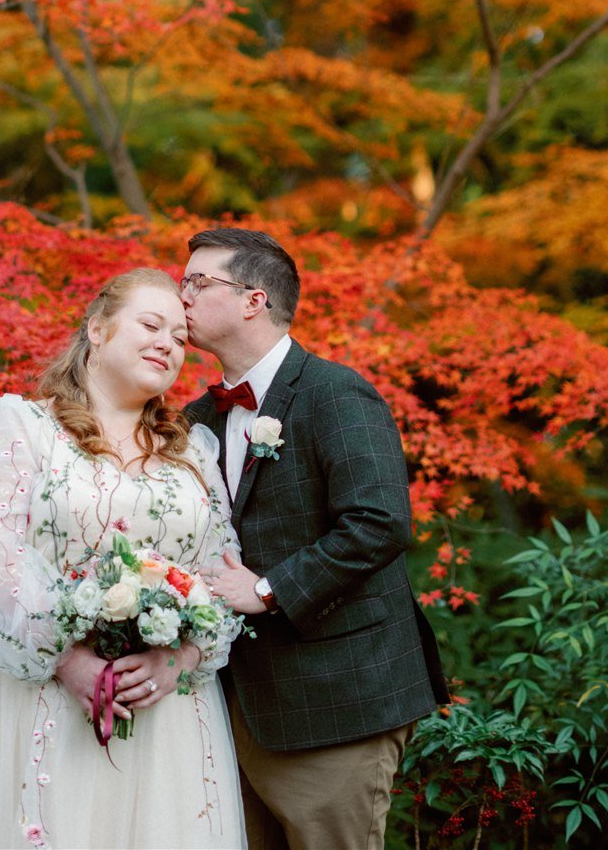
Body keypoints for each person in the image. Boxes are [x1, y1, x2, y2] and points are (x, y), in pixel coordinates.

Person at [0, 268, 247, 849]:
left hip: (161, 711)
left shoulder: (195, 452)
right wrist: (67, 659)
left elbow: (220, 572)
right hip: (31, 691)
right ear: (97, 329)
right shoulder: (17, 424)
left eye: (180, 338)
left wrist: (178, 660)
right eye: (151, 325)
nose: (168, 345)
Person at [183, 227, 448, 850]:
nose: (181, 296)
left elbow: (378, 522)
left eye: (198, 281)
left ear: (253, 300)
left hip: (338, 700)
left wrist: (269, 590)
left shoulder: (335, 392)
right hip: (231, 706)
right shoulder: (197, 419)